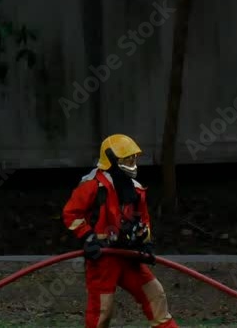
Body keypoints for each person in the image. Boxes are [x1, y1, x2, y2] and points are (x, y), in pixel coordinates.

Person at [63, 134, 180, 328]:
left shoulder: (135, 189)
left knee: (155, 295)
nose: (132, 162)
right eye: (127, 159)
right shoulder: (93, 185)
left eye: (134, 158)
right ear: (111, 160)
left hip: (128, 256)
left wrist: (146, 243)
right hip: (103, 258)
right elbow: (70, 213)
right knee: (102, 311)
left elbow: (143, 219)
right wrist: (88, 237)